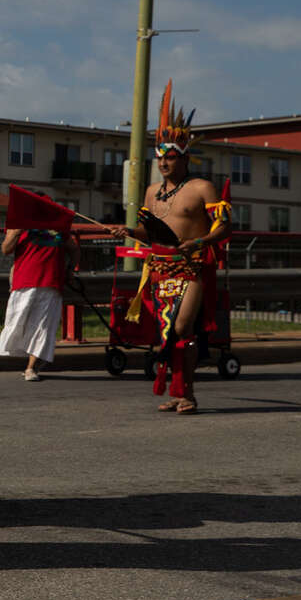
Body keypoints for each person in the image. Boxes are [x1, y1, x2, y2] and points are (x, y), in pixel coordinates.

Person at [111, 83, 230, 415]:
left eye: (170, 157)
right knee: (166, 332)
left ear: (185, 158)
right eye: (159, 157)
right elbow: (151, 233)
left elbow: (225, 227)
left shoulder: (202, 188)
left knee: (181, 327)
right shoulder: (151, 192)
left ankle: (189, 393)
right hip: (159, 268)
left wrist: (202, 241)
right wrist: (128, 231)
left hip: (192, 267)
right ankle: (178, 392)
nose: (163, 162)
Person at [0, 222, 79, 381]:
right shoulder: (18, 222)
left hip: (51, 282)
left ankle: (31, 367)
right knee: (18, 322)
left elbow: (74, 250)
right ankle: (26, 359)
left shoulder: (59, 226)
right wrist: (15, 233)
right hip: (24, 282)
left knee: (43, 327)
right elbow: (5, 249)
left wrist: (70, 270)